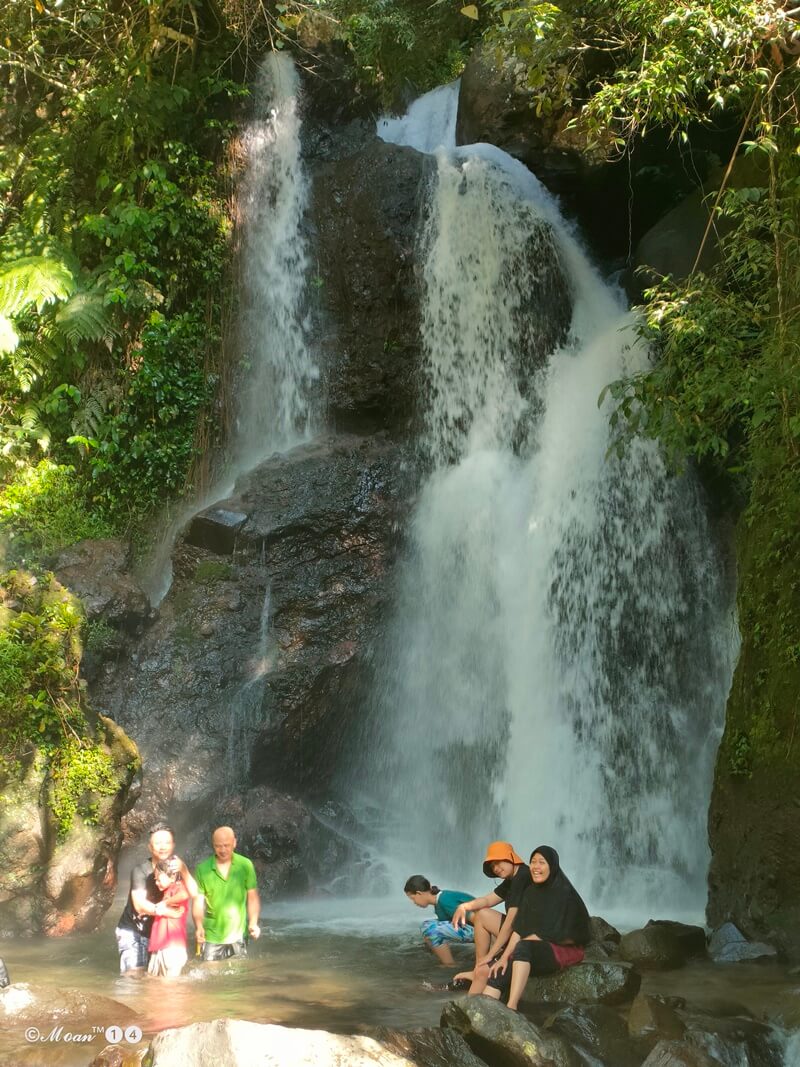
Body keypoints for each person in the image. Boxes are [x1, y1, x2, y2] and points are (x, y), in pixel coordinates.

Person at [484, 845, 590, 1010]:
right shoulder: (531, 892)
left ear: (552, 866)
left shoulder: (564, 892)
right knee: (499, 970)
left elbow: (576, 932)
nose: (536, 867)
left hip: (565, 949)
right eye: (533, 862)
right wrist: (503, 958)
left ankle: (511, 1008)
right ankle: (482, 1015)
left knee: (523, 947)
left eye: (542, 862)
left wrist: (539, 937)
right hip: (536, 949)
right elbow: (519, 929)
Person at [114, 822, 198, 975]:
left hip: (156, 932)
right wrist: (166, 910)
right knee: (133, 974)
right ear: (150, 847)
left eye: (167, 842)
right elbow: (139, 906)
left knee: (152, 978)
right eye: (157, 843)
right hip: (133, 929)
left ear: (173, 845)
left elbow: (193, 892)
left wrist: (184, 870)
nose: (162, 846)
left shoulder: (176, 869)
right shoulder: (140, 871)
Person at [450, 841, 532, 994]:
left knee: (485, 965)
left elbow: (511, 922)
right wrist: (465, 906)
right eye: (493, 866)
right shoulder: (511, 879)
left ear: (511, 857)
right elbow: (488, 900)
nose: (496, 868)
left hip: (528, 935)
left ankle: (479, 970)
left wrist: (491, 954)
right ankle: (477, 968)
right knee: (481, 913)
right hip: (519, 931)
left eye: (498, 862)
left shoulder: (523, 876)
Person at [194, 826, 261, 961]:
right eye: (218, 846)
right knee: (210, 974)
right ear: (213, 845)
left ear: (234, 843)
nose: (223, 850)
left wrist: (253, 923)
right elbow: (198, 902)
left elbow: (252, 898)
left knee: (238, 975)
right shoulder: (203, 869)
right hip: (212, 934)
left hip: (238, 933)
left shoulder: (245, 865)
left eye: (226, 845)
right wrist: (199, 926)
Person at [404, 875, 475, 966]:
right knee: (426, 925)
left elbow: (478, 919)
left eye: (413, 899)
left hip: (482, 931)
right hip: (472, 929)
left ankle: (449, 964)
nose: (414, 903)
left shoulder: (445, 900)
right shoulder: (439, 901)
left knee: (431, 929)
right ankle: (441, 955)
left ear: (419, 893)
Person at [147, 857, 190, 977]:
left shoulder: (177, 887)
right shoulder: (167, 891)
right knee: (155, 982)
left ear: (172, 877)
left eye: (158, 879)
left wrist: (165, 903)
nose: (156, 882)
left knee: (169, 986)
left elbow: (184, 894)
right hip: (161, 945)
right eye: (155, 879)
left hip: (172, 947)